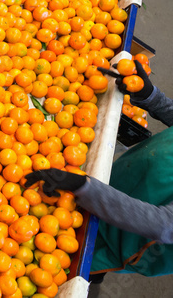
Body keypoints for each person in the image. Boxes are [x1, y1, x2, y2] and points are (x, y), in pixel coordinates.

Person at [24, 60, 173, 277]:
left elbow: (163, 225)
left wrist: (83, 186)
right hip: (125, 180)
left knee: (68, 261)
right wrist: (150, 96)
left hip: (128, 235)